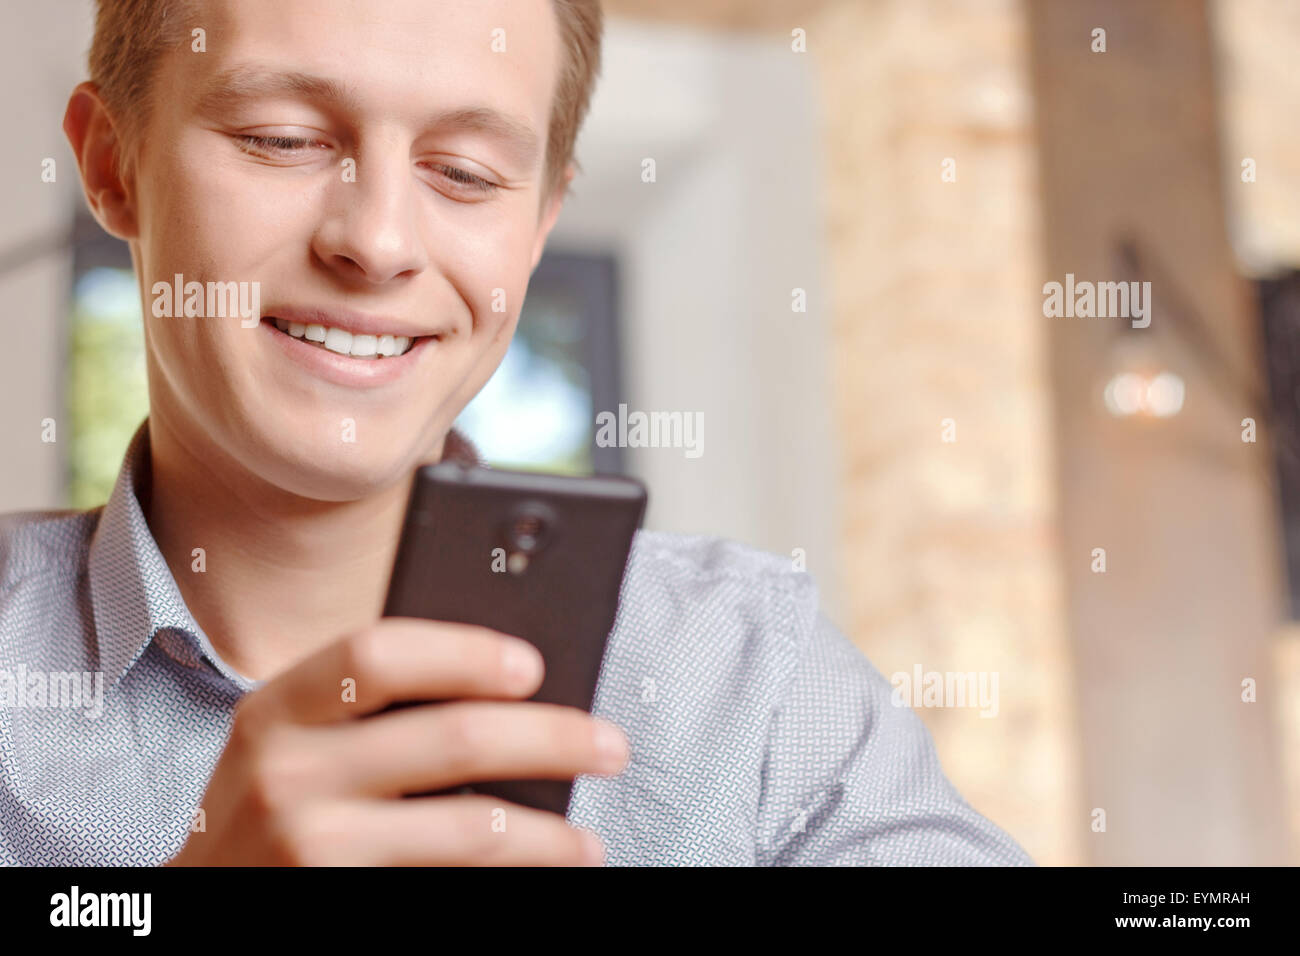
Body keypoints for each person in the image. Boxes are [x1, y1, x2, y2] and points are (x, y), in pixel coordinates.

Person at [0, 0, 1032, 866]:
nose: (376, 240)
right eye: (284, 138)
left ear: (540, 222)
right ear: (112, 162)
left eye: (465, 173)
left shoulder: (748, 676)